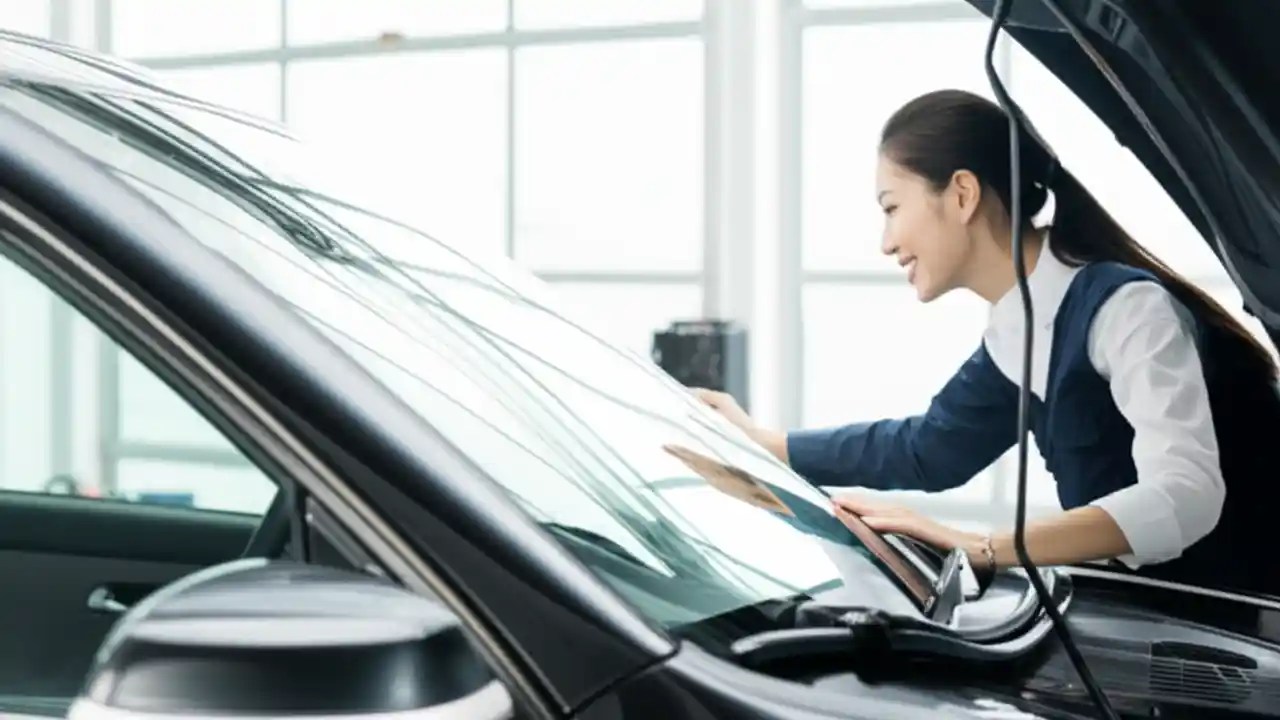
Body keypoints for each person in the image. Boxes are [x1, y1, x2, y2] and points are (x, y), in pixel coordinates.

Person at [697, 89, 1280, 598]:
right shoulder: (1016, 332)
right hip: (1149, 630)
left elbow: (1186, 494)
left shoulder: (1126, 309)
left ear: (962, 194)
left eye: (892, 208)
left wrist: (986, 546)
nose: (886, 241)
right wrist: (767, 446)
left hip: (1235, 648)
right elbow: (927, 449)